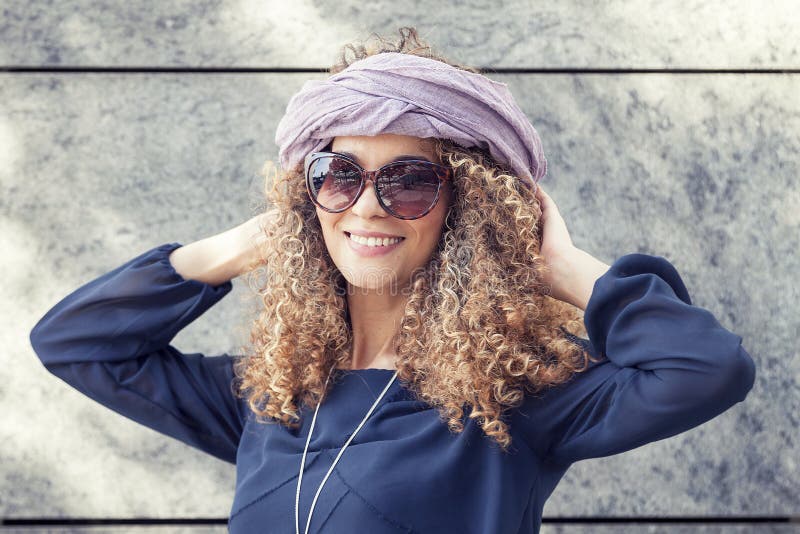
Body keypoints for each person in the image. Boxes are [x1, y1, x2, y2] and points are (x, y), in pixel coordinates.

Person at [29, 28, 756, 534]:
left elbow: (706, 369)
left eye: (409, 182)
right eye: (338, 176)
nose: (370, 204)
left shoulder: (515, 405)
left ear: (465, 210)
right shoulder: (271, 396)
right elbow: (76, 343)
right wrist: (253, 240)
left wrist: (558, 267)